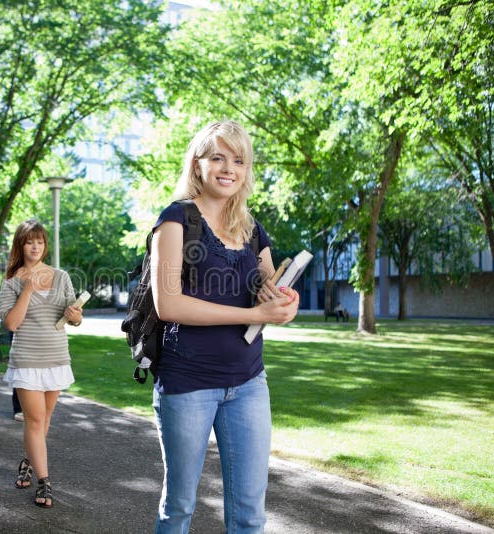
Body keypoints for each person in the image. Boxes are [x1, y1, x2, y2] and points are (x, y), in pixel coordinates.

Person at [149, 121, 300, 532]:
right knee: (179, 506)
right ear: (198, 164)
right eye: (217, 157)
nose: (228, 168)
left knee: (250, 513)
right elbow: (169, 304)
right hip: (188, 383)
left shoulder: (251, 228)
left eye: (238, 160)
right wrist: (254, 315)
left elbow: (271, 289)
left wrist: (286, 303)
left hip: (249, 382)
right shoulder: (175, 220)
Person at [0, 220, 83, 508]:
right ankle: (44, 482)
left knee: (43, 422)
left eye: (40, 241)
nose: (35, 246)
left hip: (57, 357)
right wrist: (28, 289)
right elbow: (10, 323)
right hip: (27, 360)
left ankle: (28, 461)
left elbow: (74, 317)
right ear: (20, 245)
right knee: (34, 421)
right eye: (29, 241)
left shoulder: (61, 276)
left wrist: (75, 315)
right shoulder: (11, 280)